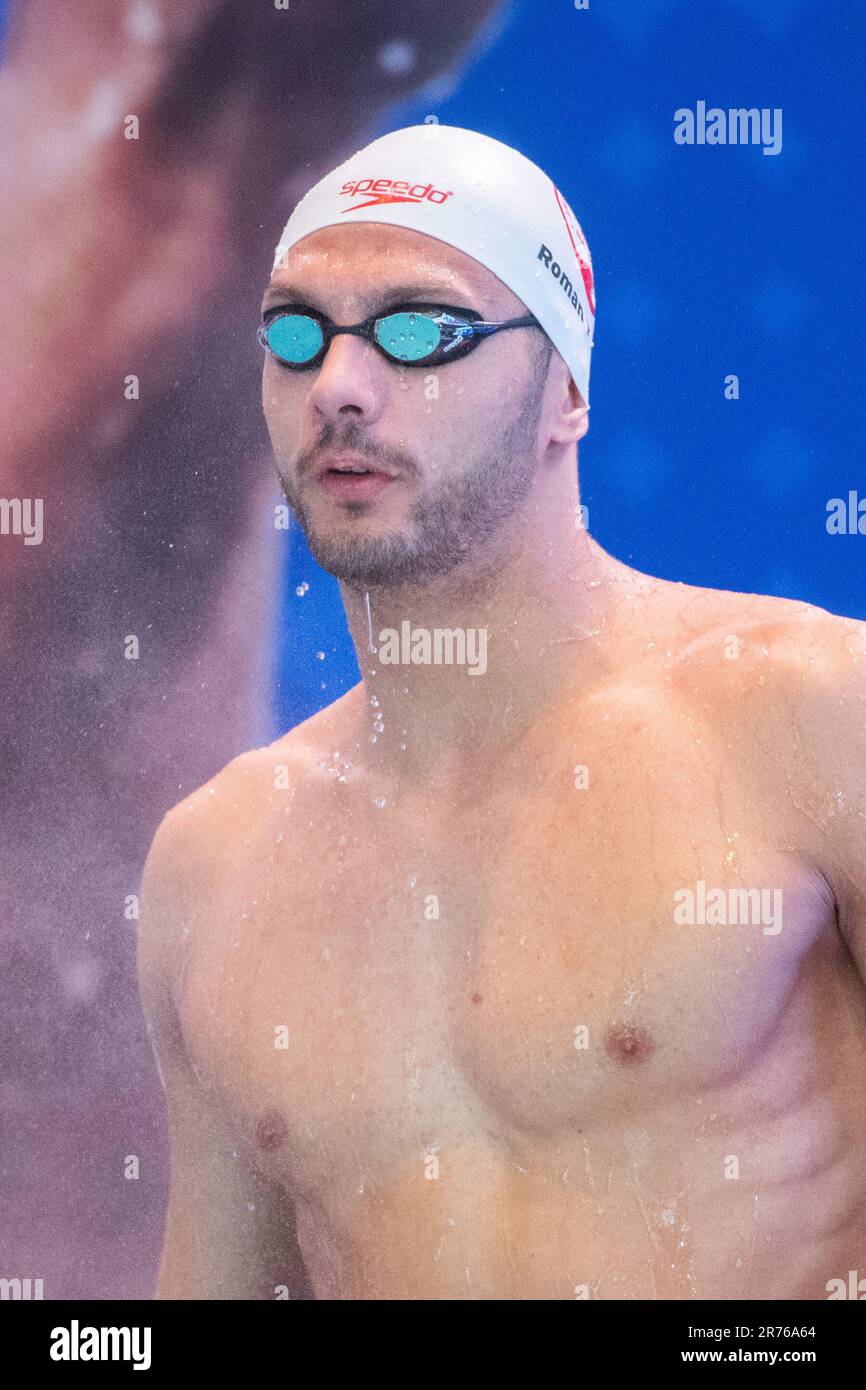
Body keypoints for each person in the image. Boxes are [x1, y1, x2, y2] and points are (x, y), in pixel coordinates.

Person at [138, 124, 866, 1300]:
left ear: (565, 390)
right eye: (293, 332)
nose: (338, 387)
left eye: (419, 328)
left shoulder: (810, 718)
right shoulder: (213, 865)